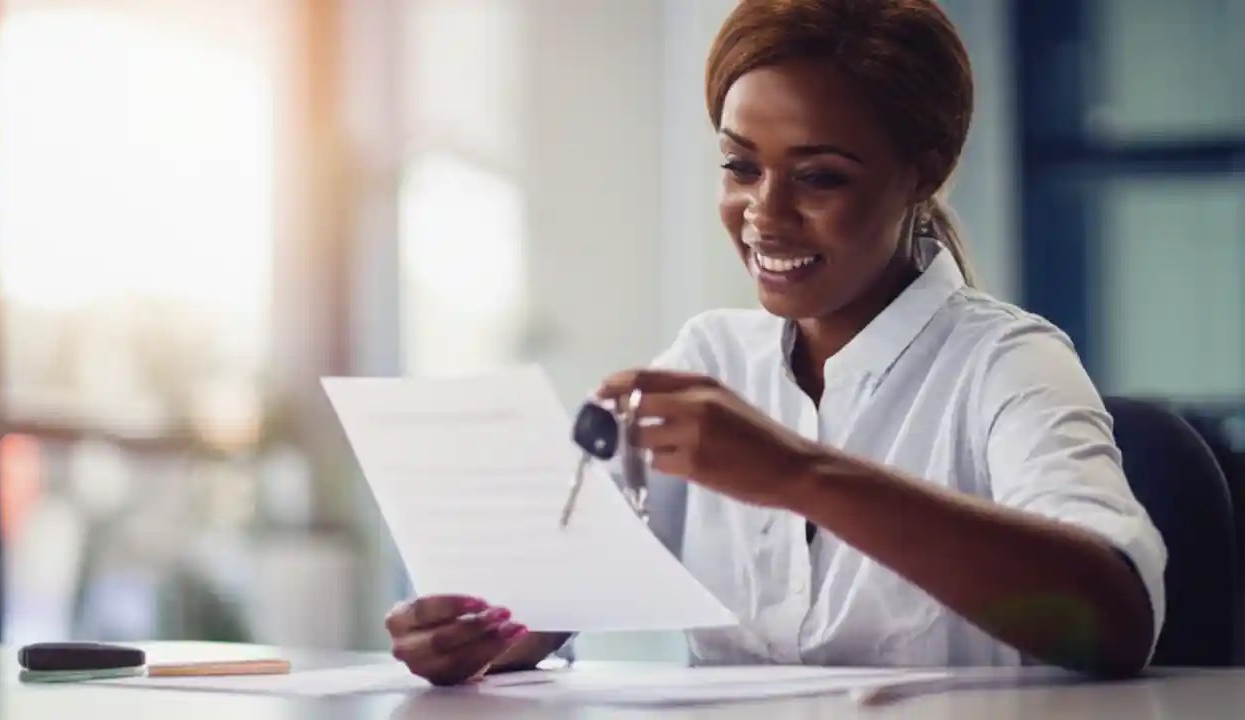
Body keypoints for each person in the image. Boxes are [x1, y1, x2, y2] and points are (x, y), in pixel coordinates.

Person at [384, 0, 1166, 686]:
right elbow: (550, 601)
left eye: (819, 177)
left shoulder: (1009, 362)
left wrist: (800, 475)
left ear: (921, 174)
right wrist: (484, 634)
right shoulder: (710, 360)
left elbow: (1117, 620)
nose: (764, 212)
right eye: (740, 167)